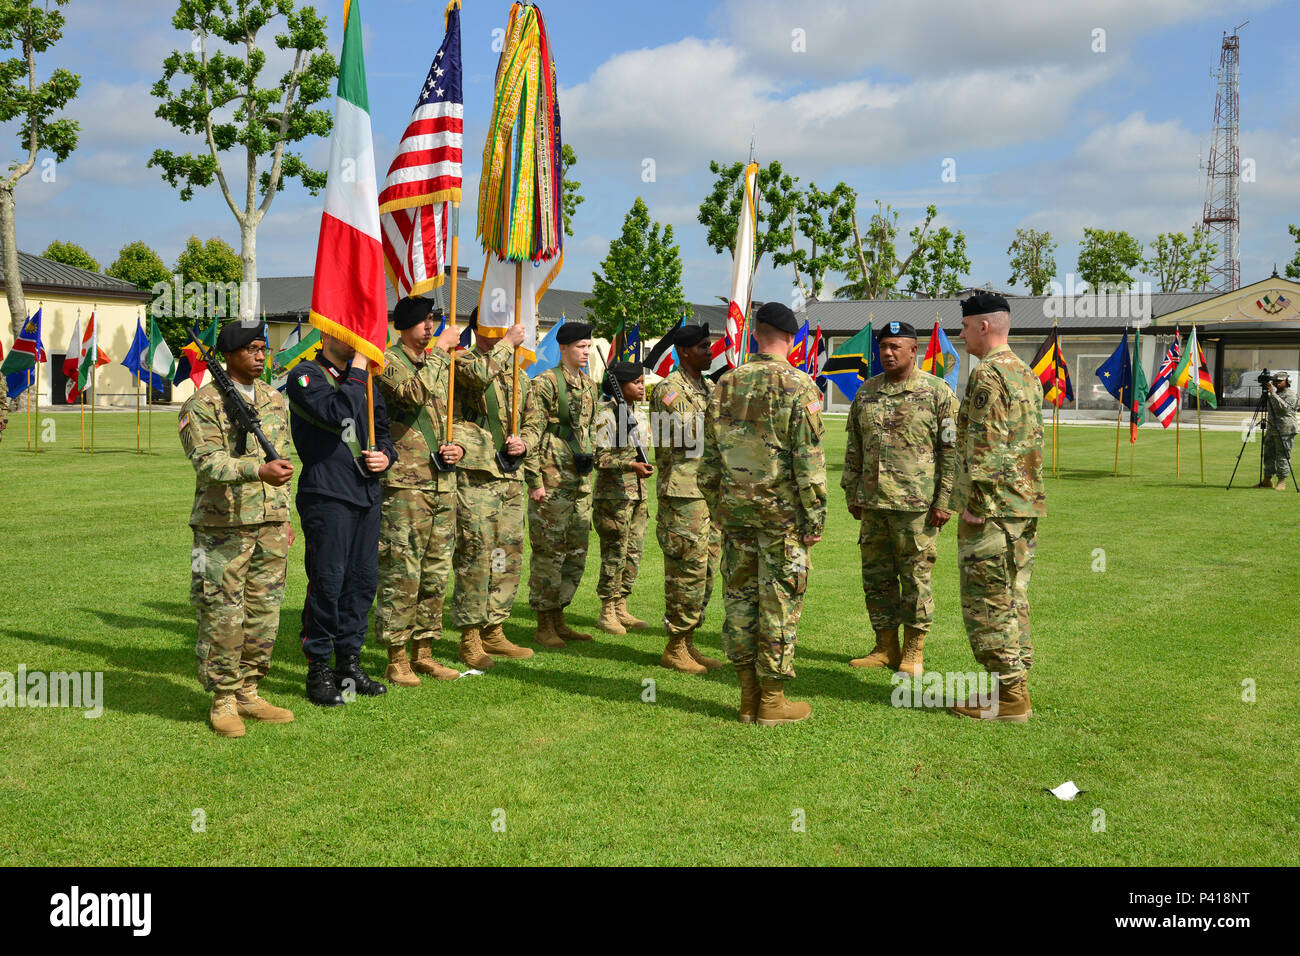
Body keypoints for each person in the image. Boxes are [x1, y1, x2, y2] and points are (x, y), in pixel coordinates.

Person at [699, 302, 827, 725]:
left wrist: (721, 507)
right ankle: (771, 702)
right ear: (791, 339)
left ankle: (747, 696)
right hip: (782, 518)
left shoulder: (724, 383)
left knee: (738, 601)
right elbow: (808, 464)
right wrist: (814, 518)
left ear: (756, 333)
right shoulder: (800, 385)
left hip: (736, 515)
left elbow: (709, 463)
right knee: (779, 602)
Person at [178, 320, 295, 738]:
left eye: (263, 347)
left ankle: (249, 689)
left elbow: (281, 456)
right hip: (223, 524)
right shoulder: (202, 403)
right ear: (229, 355)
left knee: (265, 611)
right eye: (251, 349)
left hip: (270, 522)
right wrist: (256, 470)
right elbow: (208, 461)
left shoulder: (273, 398)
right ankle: (223, 698)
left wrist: (283, 516)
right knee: (224, 612)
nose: (261, 355)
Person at [948, 291, 1046, 723]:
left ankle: (1009, 697)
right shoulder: (1025, 372)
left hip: (994, 509)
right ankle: (1013, 688)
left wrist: (978, 502)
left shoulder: (988, 374)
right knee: (1013, 597)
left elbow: (987, 440)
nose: (961, 334)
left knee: (988, 600)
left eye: (966, 327)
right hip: (1022, 505)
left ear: (983, 326)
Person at [287, 329, 398, 707]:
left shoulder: (362, 380)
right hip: (328, 493)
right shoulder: (306, 376)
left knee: (362, 583)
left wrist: (386, 456)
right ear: (326, 333)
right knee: (328, 583)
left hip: (366, 494)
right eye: (349, 331)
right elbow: (336, 413)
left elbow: (382, 431)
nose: (357, 339)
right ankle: (318, 666)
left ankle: (349, 662)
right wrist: (359, 369)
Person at [842, 320, 958, 677]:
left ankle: (913, 651)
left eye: (896, 347)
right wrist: (852, 489)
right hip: (874, 504)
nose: (888, 353)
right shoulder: (866, 392)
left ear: (913, 350)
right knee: (876, 578)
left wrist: (944, 501)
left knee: (915, 578)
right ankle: (885, 646)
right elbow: (854, 446)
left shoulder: (937, 393)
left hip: (916, 508)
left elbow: (952, 451)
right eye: (884, 347)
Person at [373, 296, 465, 686]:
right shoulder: (387, 361)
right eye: (423, 321)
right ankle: (397, 657)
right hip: (405, 485)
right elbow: (410, 394)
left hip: (442, 482)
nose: (430, 327)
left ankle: (424, 650)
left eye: (433, 320)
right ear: (404, 324)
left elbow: (450, 416)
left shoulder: (439, 365)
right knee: (402, 570)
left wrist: (457, 445)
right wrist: (442, 352)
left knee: (436, 571)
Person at [449, 310, 538, 664]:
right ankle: (470, 635)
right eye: (496, 327)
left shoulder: (520, 377)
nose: (504, 332)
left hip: (510, 477)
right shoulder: (461, 362)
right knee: (476, 555)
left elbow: (534, 419)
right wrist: (507, 345)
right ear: (480, 328)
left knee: (508, 556)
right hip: (476, 475)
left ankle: (494, 629)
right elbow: (479, 376)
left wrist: (526, 442)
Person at [647, 323, 724, 675]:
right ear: (684, 352)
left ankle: (690, 642)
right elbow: (692, 435)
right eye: (704, 347)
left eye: (709, 346)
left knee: (706, 572)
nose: (710, 352)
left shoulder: (707, 387)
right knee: (686, 572)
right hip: (683, 494)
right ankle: (675, 646)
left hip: (707, 493)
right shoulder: (669, 390)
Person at [525, 321, 599, 647]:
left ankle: (560, 616)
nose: (586, 352)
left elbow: (590, 432)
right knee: (548, 554)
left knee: (576, 553)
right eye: (581, 347)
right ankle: (544, 624)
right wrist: (534, 480)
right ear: (565, 348)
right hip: (551, 480)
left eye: (588, 346)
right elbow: (531, 432)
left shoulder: (590, 385)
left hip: (579, 482)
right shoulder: (545, 384)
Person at [593, 361, 654, 636]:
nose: (642, 386)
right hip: (614, 497)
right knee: (614, 554)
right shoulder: (607, 415)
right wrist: (631, 466)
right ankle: (607, 610)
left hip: (638, 496)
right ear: (621, 386)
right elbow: (599, 458)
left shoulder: (639, 414)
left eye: (642, 381)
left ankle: (621, 606)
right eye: (636, 382)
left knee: (633, 554)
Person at [1259, 370, 1297, 490]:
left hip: (1285, 430)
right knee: (1268, 455)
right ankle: (1267, 480)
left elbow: (1284, 409)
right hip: (1272, 429)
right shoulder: (1274, 394)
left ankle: (1282, 481)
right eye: (1275, 381)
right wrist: (1270, 393)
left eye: (1280, 380)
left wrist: (1272, 393)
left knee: (1282, 456)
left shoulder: (1290, 394)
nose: (1277, 383)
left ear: (1287, 382)